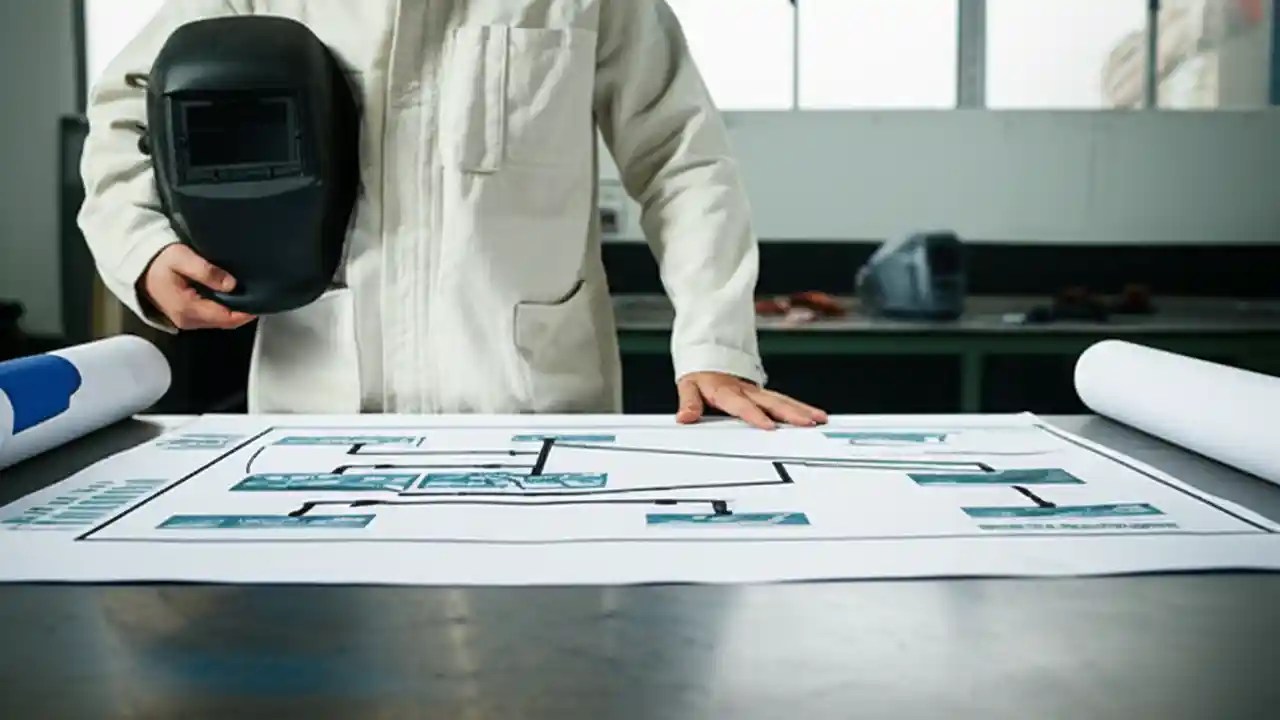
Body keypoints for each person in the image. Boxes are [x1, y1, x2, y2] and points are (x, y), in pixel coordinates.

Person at [79, 0, 827, 430]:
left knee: (540, 677)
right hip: (317, 409)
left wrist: (715, 344)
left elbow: (682, 157)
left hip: (537, 408)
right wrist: (142, 245)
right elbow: (126, 105)